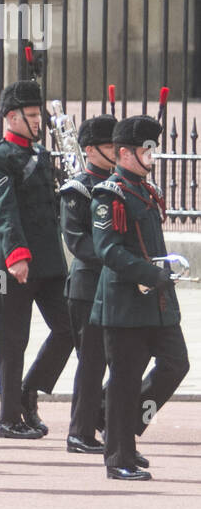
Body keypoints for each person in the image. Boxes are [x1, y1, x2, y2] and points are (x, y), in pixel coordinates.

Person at [90, 114, 190, 481]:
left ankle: (125, 427)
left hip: (156, 302)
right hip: (125, 303)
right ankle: (119, 456)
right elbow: (108, 250)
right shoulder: (109, 193)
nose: (153, 154)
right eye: (148, 148)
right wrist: (152, 274)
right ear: (125, 153)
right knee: (125, 378)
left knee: (176, 365)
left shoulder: (145, 191)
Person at [0, 79, 75, 439]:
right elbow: (3, 211)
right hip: (12, 262)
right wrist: (17, 255)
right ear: (11, 117)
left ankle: (28, 391)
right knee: (12, 339)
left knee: (69, 328)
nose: (39, 122)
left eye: (39, 115)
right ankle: (8, 418)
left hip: (49, 261)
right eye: (32, 115)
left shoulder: (42, 155)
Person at [58, 114, 117, 454]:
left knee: (109, 361)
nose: (116, 151)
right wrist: (115, 257)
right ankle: (79, 432)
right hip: (86, 287)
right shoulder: (76, 189)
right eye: (110, 146)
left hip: (112, 286)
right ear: (91, 151)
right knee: (92, 361)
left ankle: (99, 419)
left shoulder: (117, 185)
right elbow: (78, 242)